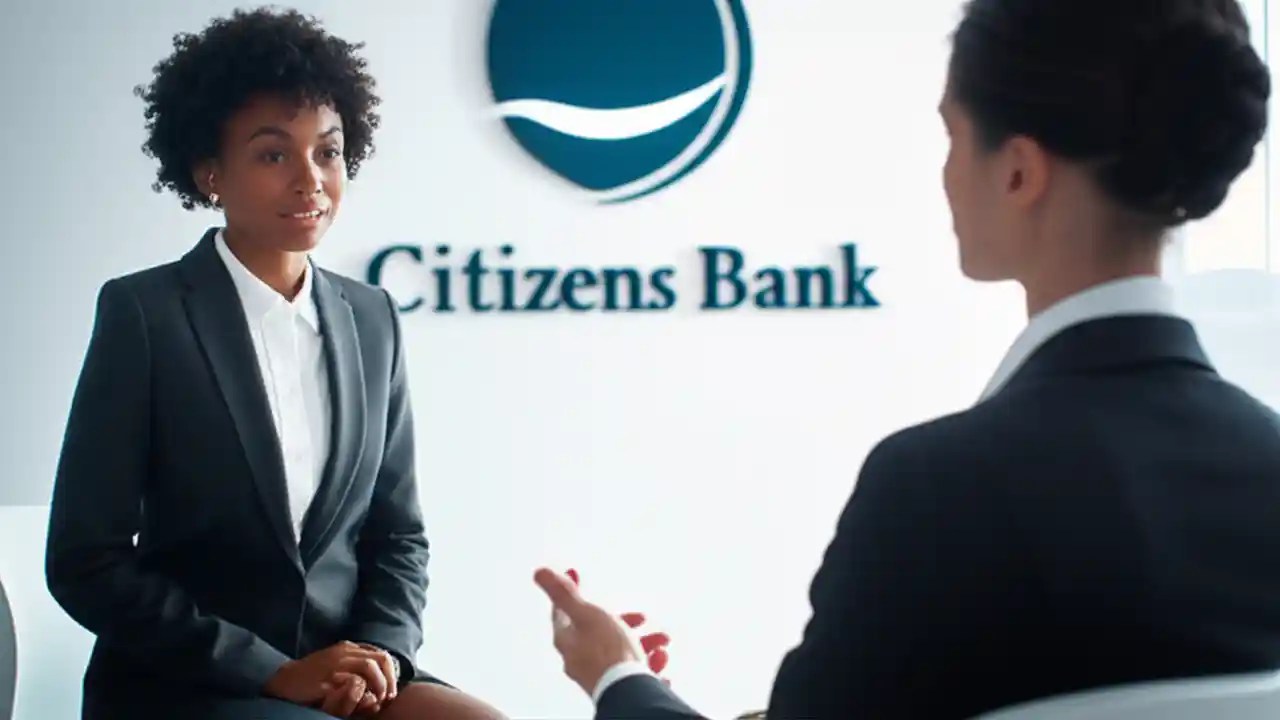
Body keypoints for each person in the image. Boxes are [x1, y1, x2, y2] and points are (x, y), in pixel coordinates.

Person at [533, 0, 1280, 717]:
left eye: (953, 138)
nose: (946, 174)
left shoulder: (935, 492)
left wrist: (617, 676)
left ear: (1019, 171)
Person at [44, 9, 505, 720]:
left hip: (341, 670)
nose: (310, 180)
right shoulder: (147, 314)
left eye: (328, 151)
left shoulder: (371, 317)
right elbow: (86, 561)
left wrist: (379, 655)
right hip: (190, 683)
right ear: (209, 173)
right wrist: (270, 672)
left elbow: (398, 534)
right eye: (272, 154)